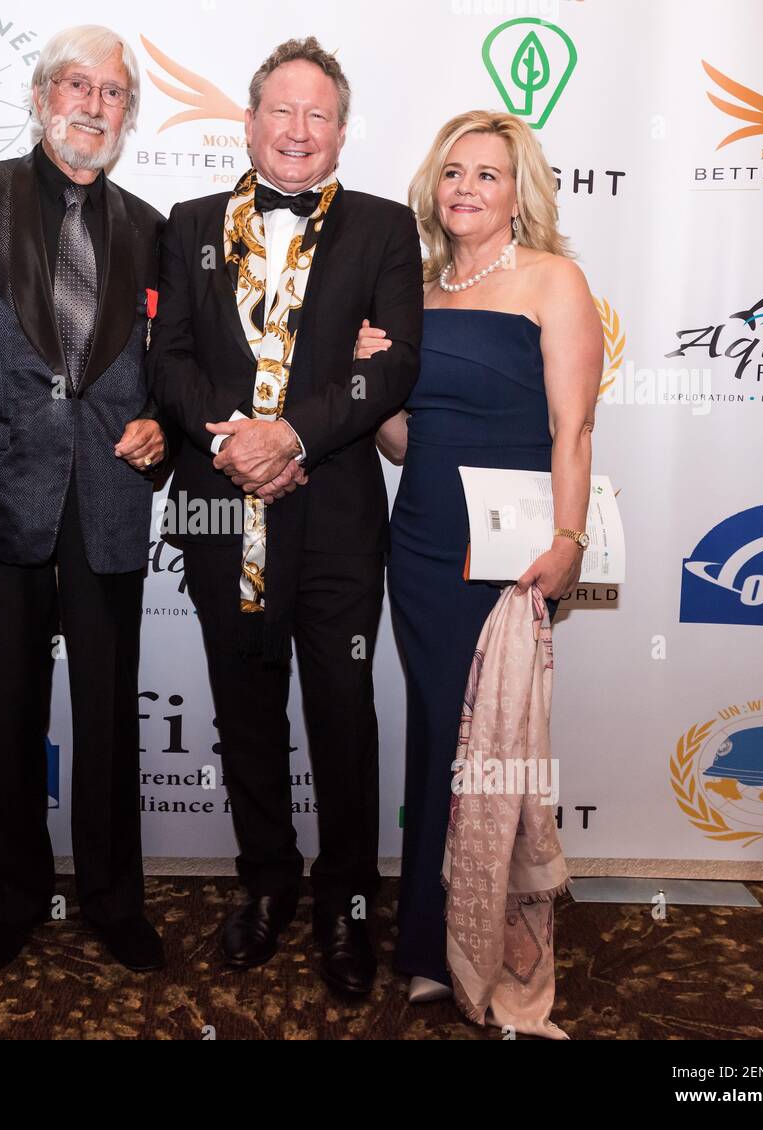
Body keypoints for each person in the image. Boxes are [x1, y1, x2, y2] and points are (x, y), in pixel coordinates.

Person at [149, 37, 423, 996]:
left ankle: (349, 908)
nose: (298, 131)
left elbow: (390, 369)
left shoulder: (387, 229)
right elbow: (169, 358)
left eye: (318, 114)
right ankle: (266, 882)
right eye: (282, 111)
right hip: (222, 514)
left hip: (338, 517)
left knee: (344, 717)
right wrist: (232, 446)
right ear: (251, 120)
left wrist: (292, 436)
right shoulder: (185, 226)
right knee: (245, 710)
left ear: (342, 131)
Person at [0, 25, 167, 974]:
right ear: (39, 94)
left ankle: (114, 899)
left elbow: (171, 371)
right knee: (5, 708)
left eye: (113, 94)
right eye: (78, 85)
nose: (93, 106)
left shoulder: (153, 230)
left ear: (129, 116)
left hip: (107, 496)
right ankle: (18, 895)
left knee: (109, 718)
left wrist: (166, 431)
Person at [358, 110, 600, 1004]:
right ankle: (431, 938)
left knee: (488, 748)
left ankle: (466, 942)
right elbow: (396, 441)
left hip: (506, 550)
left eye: (487, 174)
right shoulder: (413, 293)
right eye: (453, 172)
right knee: (436, 739)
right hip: (419, 542)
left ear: (517, 191)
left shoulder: (553, 281)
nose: (466, 188)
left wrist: (568, 541)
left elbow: (573, 425)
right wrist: (369, 374)